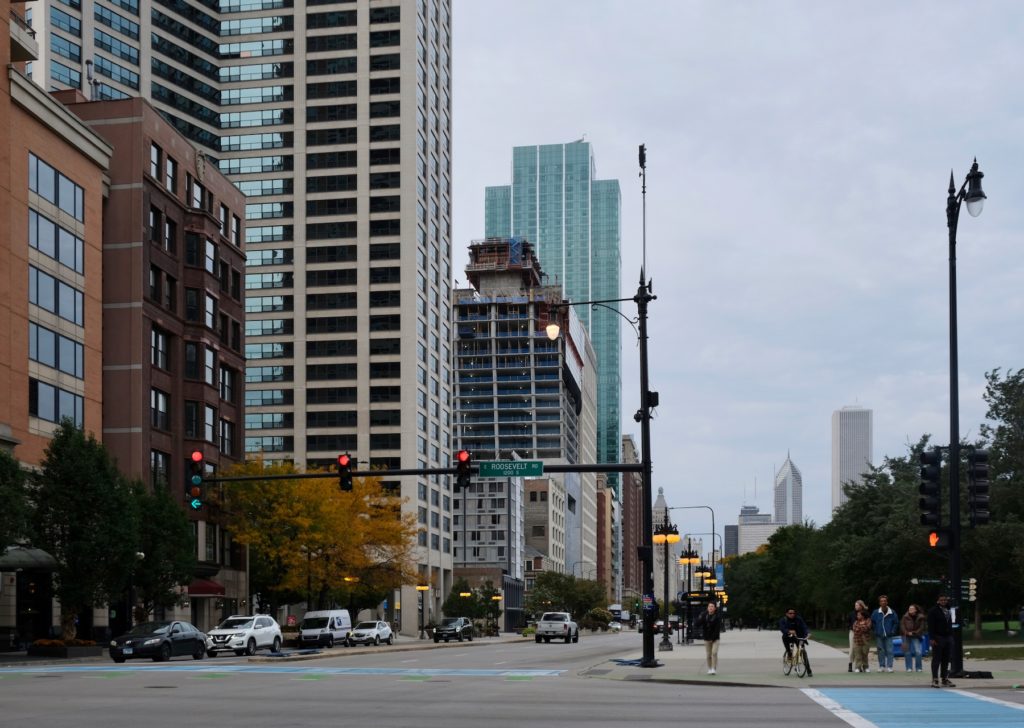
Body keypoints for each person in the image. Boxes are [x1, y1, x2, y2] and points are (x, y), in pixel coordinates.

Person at [927, 593, 955, 688]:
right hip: (938, 637)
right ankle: (935, 679)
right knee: (936, 659)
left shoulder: (949, 610)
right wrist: (931, 638)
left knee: (946, 659)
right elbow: (930, 626)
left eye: (945, 600)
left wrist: (951, 636)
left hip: (948, 637)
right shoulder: (933, 611)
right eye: (941, 600)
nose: (943, 601)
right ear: (938, 601)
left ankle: (944, 678)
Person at [778, 608, 813, 677]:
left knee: (803, 652)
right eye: (790, 613)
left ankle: (809, 670)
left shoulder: (798, 619)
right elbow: (782, 628)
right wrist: (789, 631)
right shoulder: (783, 620)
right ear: (787, 614)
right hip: (788, 636)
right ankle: (789, 653)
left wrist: (808, 633)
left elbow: (804, 627)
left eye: (793, 613)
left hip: (798, 637)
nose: (792, 614)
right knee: (785, 639)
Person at [870, 595, 899, 672]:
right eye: (882, 601)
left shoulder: (892, 612)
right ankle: (881, 666)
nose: (883, 602)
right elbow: (872, 622)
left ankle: (890, 666)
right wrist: (875, 631)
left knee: (890, 650)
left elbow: (896, 623)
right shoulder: (876, 612)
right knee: (880, 651)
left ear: (887, 602)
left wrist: (892, 631)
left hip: (889, 635)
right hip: (879, 635)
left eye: (884, 601)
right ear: (879, 603)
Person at [695, 602, 722, 675]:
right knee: (708, 655)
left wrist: (712, 639)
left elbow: (717, 629)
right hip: (706, 638)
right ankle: (709, 668)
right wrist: (700, 617)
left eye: (712, 606)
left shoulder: (717, 617)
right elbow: (697, 624)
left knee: (714, 653)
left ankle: (714, 668)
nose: (710, 607)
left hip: (715, 639)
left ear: (715, 608)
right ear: (707, 608)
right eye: (709, 606)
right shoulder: (704, 615)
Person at [901, 604, 927, 672]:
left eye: (912, 609)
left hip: (916, 636)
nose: (910, 610)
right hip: (906, 636)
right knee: (907, 652)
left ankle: (918, 668)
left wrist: (914, 633)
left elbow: (922, 627)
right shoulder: (905, 616)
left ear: (915, 610)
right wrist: (906, 632)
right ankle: (909, 668)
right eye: (909, 609)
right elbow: (902, 625)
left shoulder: (921, 617)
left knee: (918, 652)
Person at [847, 599, 867, 672]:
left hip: (862, 633)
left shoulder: (864, 614)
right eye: (855, 605)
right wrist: (851, 627)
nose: (855, 606)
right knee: (852, 648)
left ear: (861, 606)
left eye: (857, 605)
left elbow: (867, 622)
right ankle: (850, 664)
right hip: (853, 632)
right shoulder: (851, 614)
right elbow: (848, 622)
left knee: (861, 649)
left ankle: (859, 666)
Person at [851, 607, 872, 673]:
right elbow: (855, 629)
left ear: (863, 616)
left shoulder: (868, 620)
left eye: (859, 615)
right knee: (858, 654)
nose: (857, 616)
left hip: (866, 640)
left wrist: (860, 627)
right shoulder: (855, 622)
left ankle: (866, 667)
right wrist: (862, 627)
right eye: (857, 615)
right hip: (857, 640)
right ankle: (858, 667)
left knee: (865, 654)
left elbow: (867, 628)